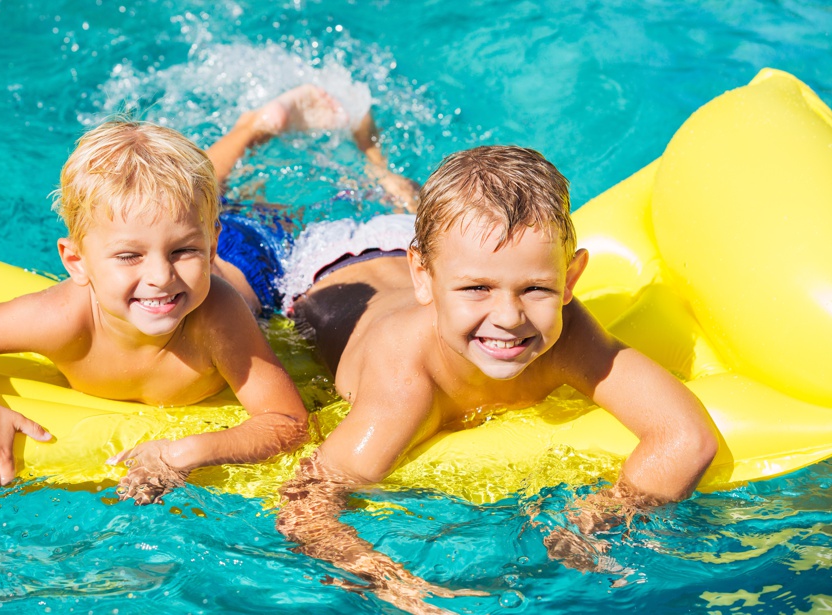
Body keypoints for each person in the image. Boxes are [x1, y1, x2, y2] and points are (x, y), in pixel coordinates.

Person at [275, 146, 720, 612]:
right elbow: (306, 506)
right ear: (423, 277)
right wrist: (397, 586)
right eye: (478, 290)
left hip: (446, 250)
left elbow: (686, 437)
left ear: (569, 279)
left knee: (418, 211)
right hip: (329, 270)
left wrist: (598, 517)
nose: (509, 318)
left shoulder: (568, 333)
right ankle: (362, 155)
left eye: (535, 289)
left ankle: (390, 179)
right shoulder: (405, 380)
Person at [0, 86, 373, 499]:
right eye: (128, 257)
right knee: (188, 207)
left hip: (252, 257)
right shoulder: (64, 318)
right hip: (213, 235)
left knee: (228, 205)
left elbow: (289, 424)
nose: (160, 277)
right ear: (76, 262)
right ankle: (251, 127)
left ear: (207, 249)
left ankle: (255, 134)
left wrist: (189, 452)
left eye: (183, 252)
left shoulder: (215, 316)